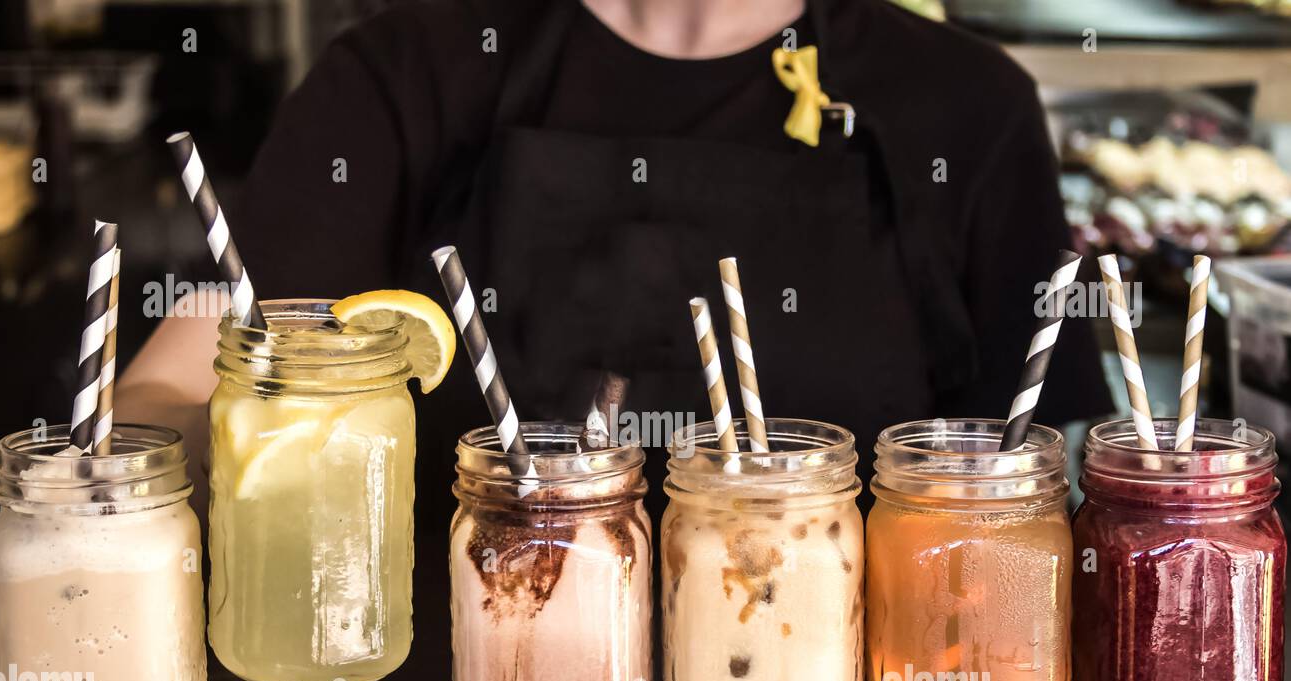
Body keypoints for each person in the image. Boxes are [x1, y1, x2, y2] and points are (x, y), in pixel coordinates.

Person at [118, 0, 1112, 528]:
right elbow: (173, 385)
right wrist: (120, 496)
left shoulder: (965, 107)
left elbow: (1043, 467)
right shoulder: (404, 74)